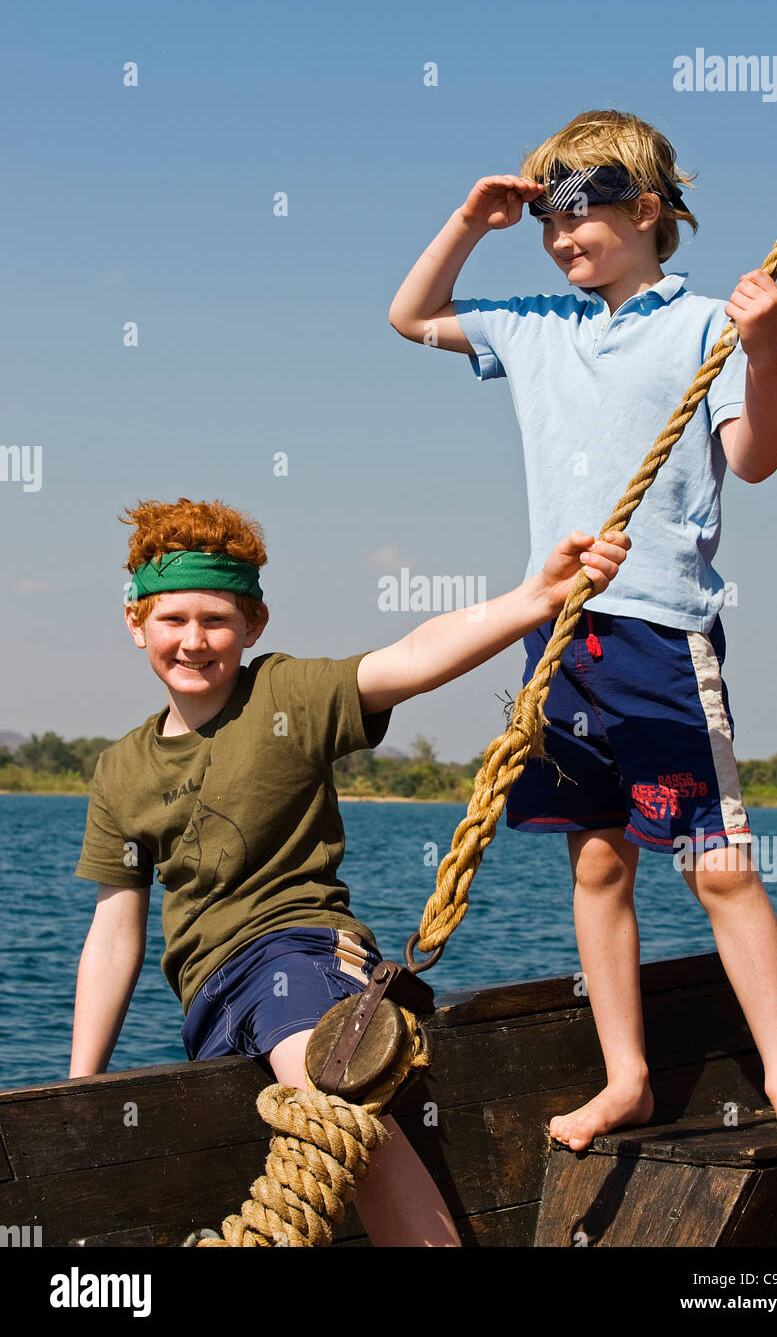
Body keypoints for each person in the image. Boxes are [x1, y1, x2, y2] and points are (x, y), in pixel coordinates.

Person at [388, 109, 777, 1171]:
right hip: (557, 635)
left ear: (645, 212)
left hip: (660, 634)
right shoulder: (537, 326)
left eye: (578, 216)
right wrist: (470, 220)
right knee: (596, 863)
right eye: (545, 221)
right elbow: (408, 316)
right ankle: (629, 1075)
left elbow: (759, 455)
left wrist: (766, 342)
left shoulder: (702, 327)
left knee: (720, 868)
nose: (558, 240)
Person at [68, 494, 629, 1245]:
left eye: (216, 620)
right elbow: (114, 930)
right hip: (208, 1002)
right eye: (173, 619)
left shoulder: (285, 696)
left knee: (334, 1095)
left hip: (294, 953)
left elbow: (414, 659)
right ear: (136, 623)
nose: (195, 640)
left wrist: (538, 596)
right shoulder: (119, 770)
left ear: (252, 626)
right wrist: (80, 1085)